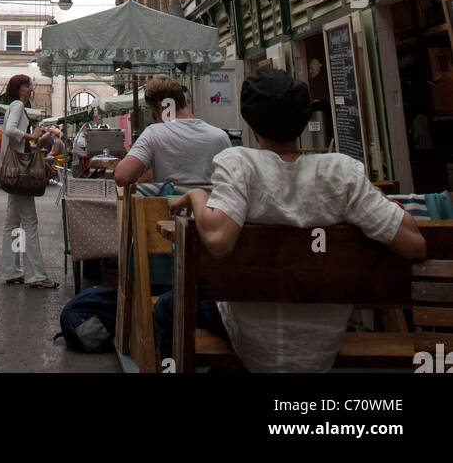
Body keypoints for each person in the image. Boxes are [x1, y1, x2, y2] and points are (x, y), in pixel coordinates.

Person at [153, 67, 427, 372]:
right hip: (322, 342)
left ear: (251, 121)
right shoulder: (341, 173)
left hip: (251, 337)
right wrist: (373, 197)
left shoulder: (241, 165)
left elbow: (218, 240)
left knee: (166, 308)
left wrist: (196, 197)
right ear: (302, 119)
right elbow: (415, 245)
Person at [0, 74, 59, 289]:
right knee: (30, 223)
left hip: (14, 170)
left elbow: (14, 137)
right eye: (26, 85)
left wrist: (38, 137)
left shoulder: (16, 107)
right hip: (20, 172)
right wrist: (32, 137)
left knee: (13, 223)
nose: (30, 88)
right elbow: (10, 131)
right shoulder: (16, 105)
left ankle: (12, 270)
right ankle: (36, 275)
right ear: (18, 89)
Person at [114, 76, 230, 187]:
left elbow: (121, 176)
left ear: (163, 107)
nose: (155, 120)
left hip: (170, 206)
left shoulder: (154, 133)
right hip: (209, 206)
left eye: (154, 114)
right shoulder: (220, 137)